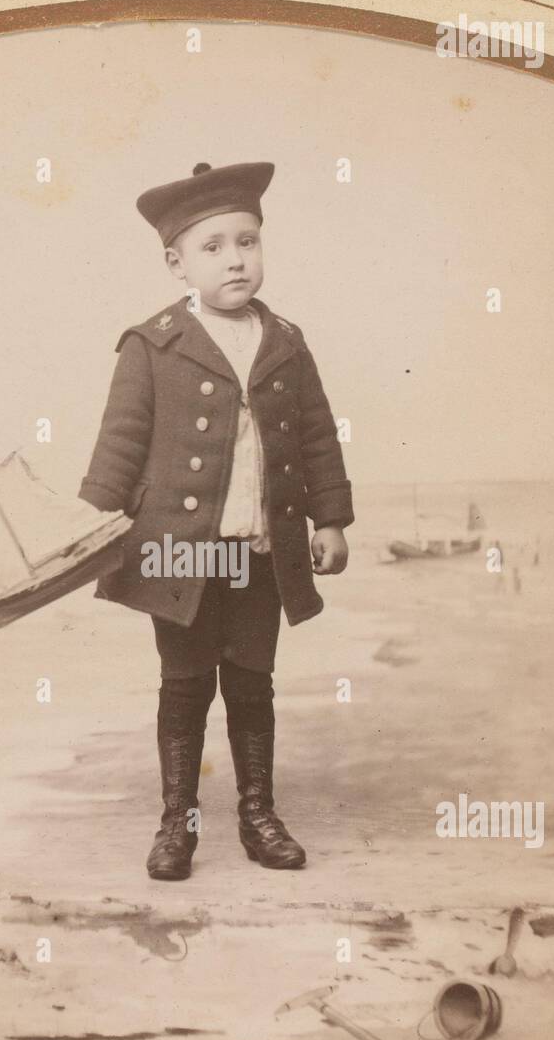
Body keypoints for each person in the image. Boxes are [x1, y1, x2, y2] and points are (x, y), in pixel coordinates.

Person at [79, 161, 353, 880]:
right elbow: (120, 442)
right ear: (176, 262)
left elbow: (317, 437)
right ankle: (179, 822)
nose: (235, 258)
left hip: (261, 549)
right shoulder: (151, 343)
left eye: (248, 241)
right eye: (213, 246)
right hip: (180, 552)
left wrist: (330, 519)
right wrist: (89, 526)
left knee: (251, 680)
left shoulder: (286, 341)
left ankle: (259, 814)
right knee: (185, 681)